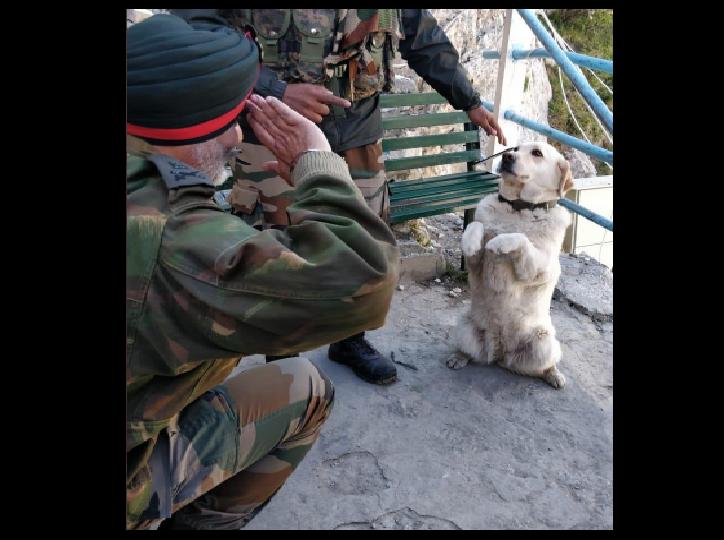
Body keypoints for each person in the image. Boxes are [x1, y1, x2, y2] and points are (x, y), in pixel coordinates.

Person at [126, 14, 399, 529]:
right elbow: (364, 283)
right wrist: (321, 167)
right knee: (303, 387)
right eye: (225, 124)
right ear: (183, 136)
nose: (235, 139)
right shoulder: (171, 240)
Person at [170, 8, 507, 385]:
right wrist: (275, 89)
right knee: (277, 250)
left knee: (362, 242)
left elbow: (422, 36)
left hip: (357, 132)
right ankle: (283, 362)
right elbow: (197, 33)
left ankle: (350, 341)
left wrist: (470, 101)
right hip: (273, 129)